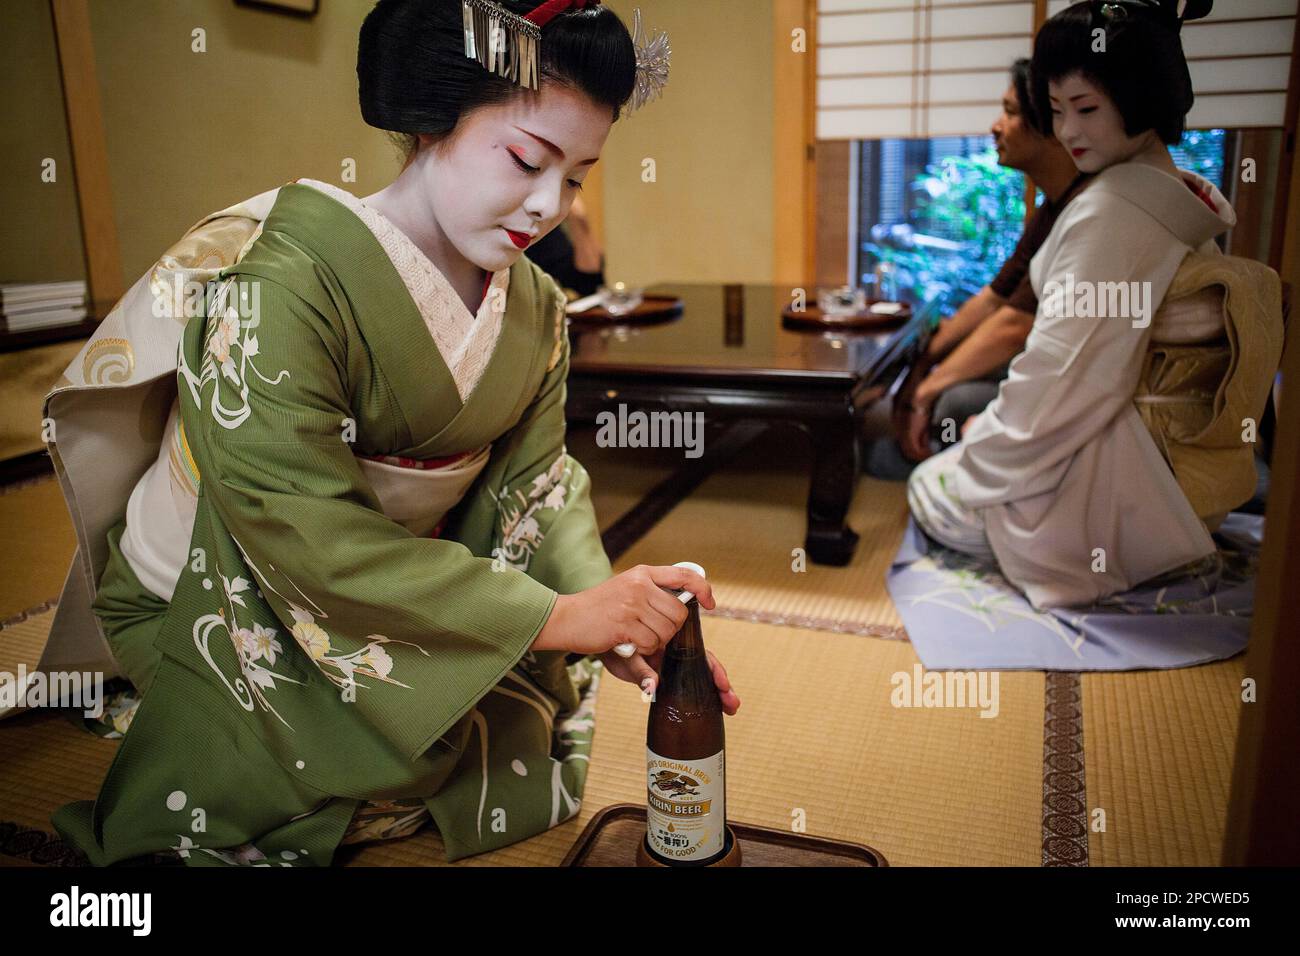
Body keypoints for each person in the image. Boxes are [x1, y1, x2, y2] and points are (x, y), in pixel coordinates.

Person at [42, 0, 739, 867]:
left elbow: (537, 496)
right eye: (527, 158)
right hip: (227, 581)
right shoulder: (283, 285)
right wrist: (555, 618)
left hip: (384, 586)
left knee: (481, 728)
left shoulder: (540, 310)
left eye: (577, 176)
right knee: (375, 767)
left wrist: (613, 618)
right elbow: (294, 522)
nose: (548, 205)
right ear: (428, 120)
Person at [907, 0, 1283, 609]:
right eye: (1056, 111)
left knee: (929, 489)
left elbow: (1063, 381)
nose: (1069, 132)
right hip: (1173, 475)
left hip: (1119, 487)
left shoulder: (1109, 211)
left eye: (1086, 109)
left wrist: (982, 448)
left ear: (1140, 100)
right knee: (964, 426)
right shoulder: (1169, 191)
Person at [884, 59, 1088, 469]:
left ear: (1050, 127)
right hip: (1036, 365)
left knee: (953, 399)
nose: (996, 126)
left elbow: (1016, 324)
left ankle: (943, 495)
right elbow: (994, 299)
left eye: (1011, 113)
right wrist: (923, 361)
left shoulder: (1085, 211)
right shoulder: (1052, 209)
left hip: (1069, 384)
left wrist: (924, 392)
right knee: (928, 390)